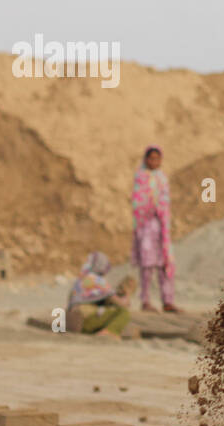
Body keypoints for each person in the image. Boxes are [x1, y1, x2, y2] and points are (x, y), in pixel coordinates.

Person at [130, 145, 179, 313]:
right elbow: (138, 203)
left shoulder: (162, 178)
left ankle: (168, 301)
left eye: (157, 159)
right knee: (147, 266)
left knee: (166, 264)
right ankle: (145, 301)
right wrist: (153, 207)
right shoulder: (141, 177)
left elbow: (165, 201)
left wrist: (162, 212)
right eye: (151, 158)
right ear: (146, 160)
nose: (154, 161)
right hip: (146, 227)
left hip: (162, 228)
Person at [67, 251, 132, 338]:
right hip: (84, 321)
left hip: (71, 321)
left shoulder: (81, 279)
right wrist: (128, 293)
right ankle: (108, 333)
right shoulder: (98, 281)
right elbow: (122, 304)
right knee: (124, 313)